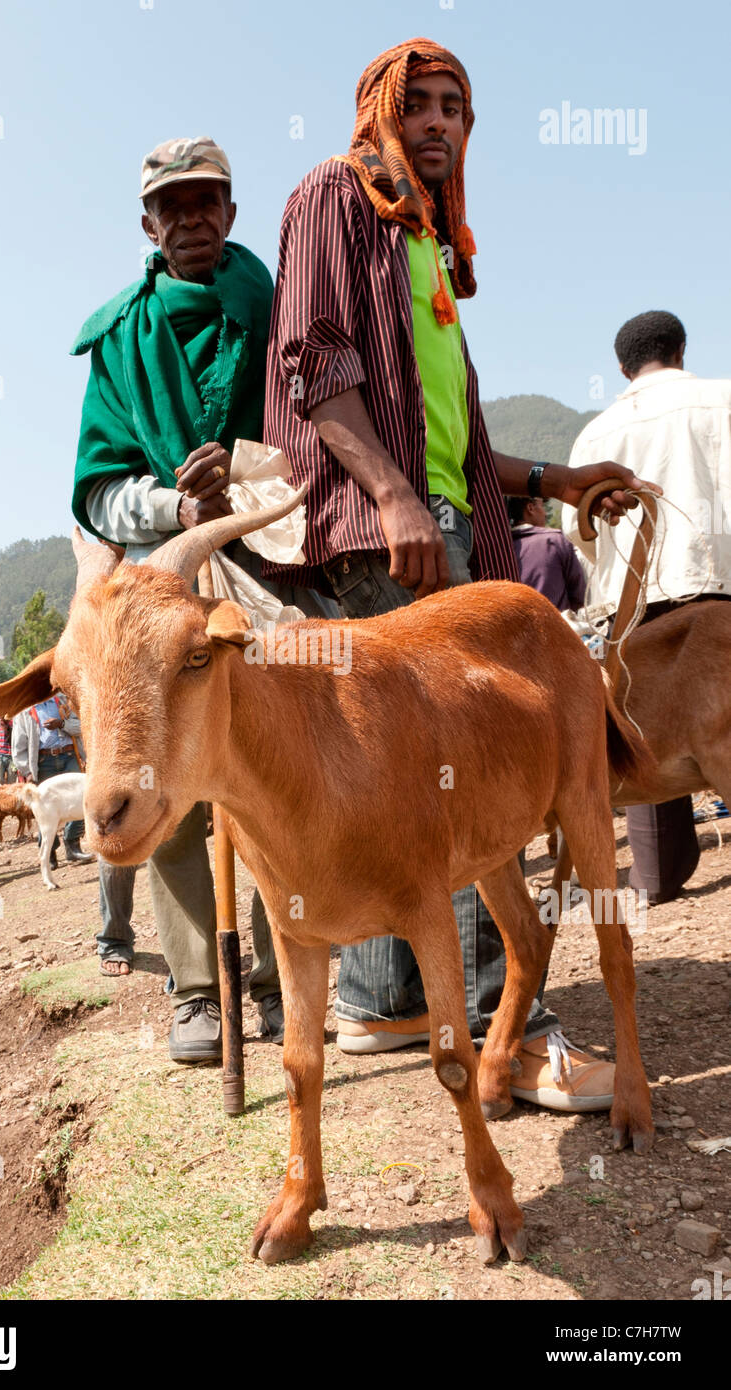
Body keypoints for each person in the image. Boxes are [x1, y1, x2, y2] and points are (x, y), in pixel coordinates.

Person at [265, 38, 648, 1110]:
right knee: (464, 769)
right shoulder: (331, 196)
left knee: (398, 777)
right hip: (375, 527)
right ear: (376, 111)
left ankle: (386, 999)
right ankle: (502, 1024)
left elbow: (458, 438)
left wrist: (556, 480)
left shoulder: (426, 243)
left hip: (441, 523)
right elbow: (312, 363)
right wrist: (389, 494)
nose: (438, 125)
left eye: (455, 110)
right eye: (418, 105)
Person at [70, 135, 303, 1061]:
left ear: (232, 214)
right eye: (173, 206)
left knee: (279, 765)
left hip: (276, 566)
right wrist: (173, 503)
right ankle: (199, 989)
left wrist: (246, 487)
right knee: (156, 767)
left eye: (208, 201)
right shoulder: (118, 338)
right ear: (148, 225)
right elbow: (94, 489)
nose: (192, 218)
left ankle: (284, 969)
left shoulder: (279, 306)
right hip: (151, 592)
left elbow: (313, 431)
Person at [563, 309, 731, 903]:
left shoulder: (596, 432)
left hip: (632, 608)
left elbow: (579, 534)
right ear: (682, 350)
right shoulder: (723, 400)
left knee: (643, 741)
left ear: (621, 368)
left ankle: (658, 879)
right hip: (718, 591)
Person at [11, 696, 93, 867]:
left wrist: (61, 724)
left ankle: (73, 845)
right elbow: (18, 745)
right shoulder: (24, 710)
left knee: (83, 798)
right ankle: (50, 853)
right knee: (44, 807)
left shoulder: (64, 702)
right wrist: (27, 770)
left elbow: (81, 727)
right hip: (43, 761)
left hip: (69, 755)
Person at [507, 495, 586, 612]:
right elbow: (578, 594)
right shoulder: (554, 541)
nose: (545, 513)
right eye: (541, 506)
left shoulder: (501, 550)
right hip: (557, 625)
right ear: (530, 508)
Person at [0, 717, 15, 785]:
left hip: (11, 757)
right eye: (0, 718)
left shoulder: (12, 728)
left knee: (11, 780)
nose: (1, 719)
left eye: (3, 718)